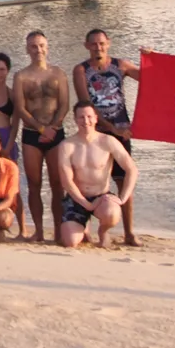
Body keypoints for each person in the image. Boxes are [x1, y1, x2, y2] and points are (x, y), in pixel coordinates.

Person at [73, 28, 142, 245]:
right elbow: (86, 105)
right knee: (88, 180)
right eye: (93, 44)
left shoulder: (121, 66)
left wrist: (150, 58)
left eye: (101, 43)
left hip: (122, 131)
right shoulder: (81, 70)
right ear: (87, 46)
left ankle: (129, 232)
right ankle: (86, 228)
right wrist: (110, 128)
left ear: (108, 43)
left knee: (124, 181)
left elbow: (150, 79)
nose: (98, 48)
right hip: (94, 132)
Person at [50, 103, 137, 247]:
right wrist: (87, 205)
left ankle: (103, 231)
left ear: (96, 118)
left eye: (89, 117)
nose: (86, 121)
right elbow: (67, 182)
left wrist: (122, 198)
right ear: (75, 119)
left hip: (101, 197)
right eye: (81, 117)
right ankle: (84, 227)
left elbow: (131, 169)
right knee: (70, 242)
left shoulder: (108, 141)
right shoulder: (67, 145)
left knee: (112, 214)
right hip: (77, 199)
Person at [12, 30, 71, 243]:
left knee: (58, 184)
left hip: (56, 133)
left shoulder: (58, 74)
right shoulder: (21, 76)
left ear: (47, 47)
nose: (38, 50)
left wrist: (52, 127)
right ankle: (38, 230)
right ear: (27, 49)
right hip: (31, 134)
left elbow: (64, 104)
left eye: (41, 45)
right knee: (34, 184)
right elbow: (20, 108)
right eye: (34, 46)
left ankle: (58, 230)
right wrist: (41, 129)